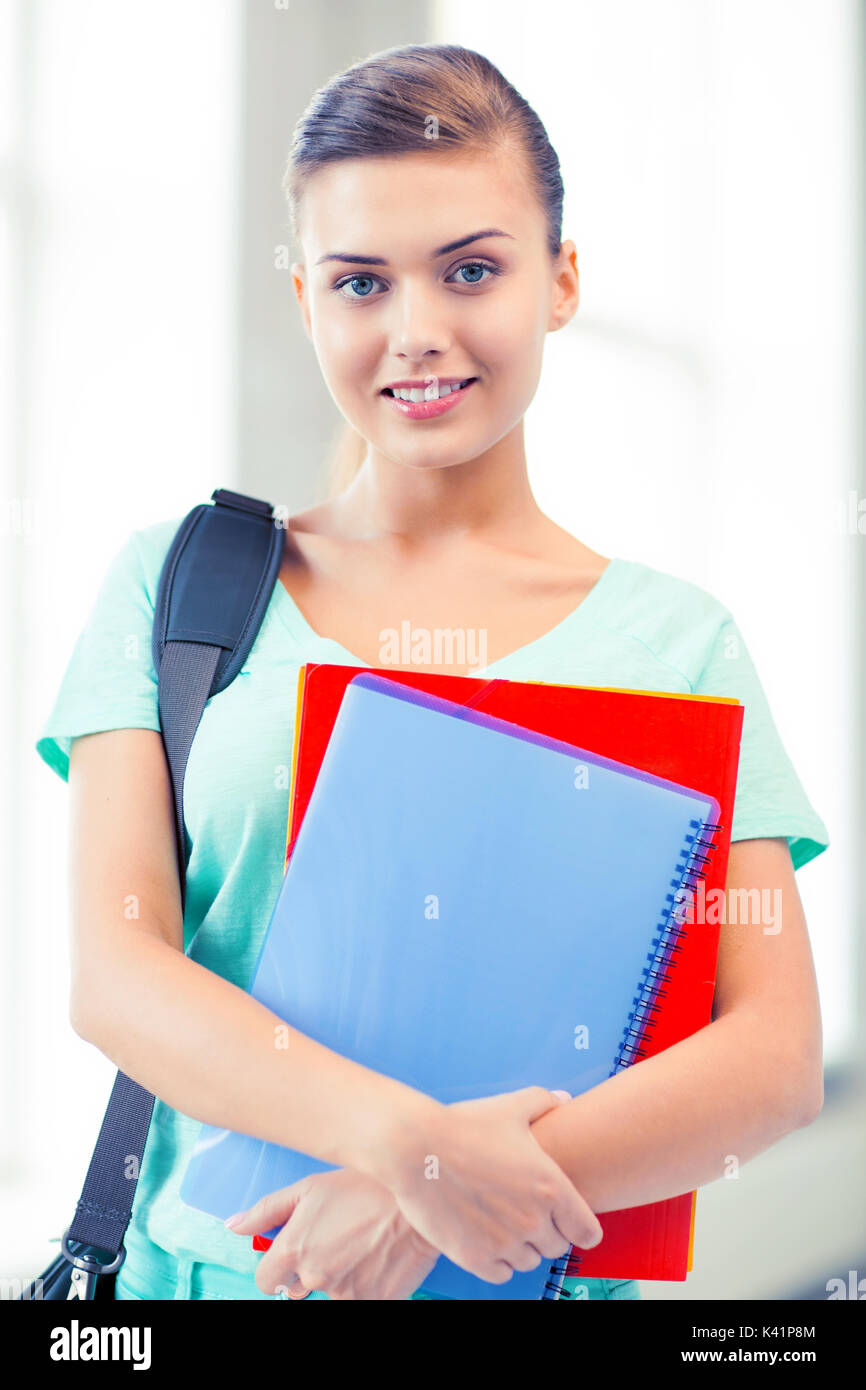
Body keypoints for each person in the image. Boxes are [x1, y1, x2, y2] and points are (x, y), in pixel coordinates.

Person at [35, 43, 829, 1303]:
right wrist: (409, 1151)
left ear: (560, 279)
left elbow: (773, 1058)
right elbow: (119, 973)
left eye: (471, 269)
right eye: (360, 282)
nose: (418, 334)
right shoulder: (174, 589)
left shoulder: (681, 646)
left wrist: (420, 1206)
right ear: (304, 300)